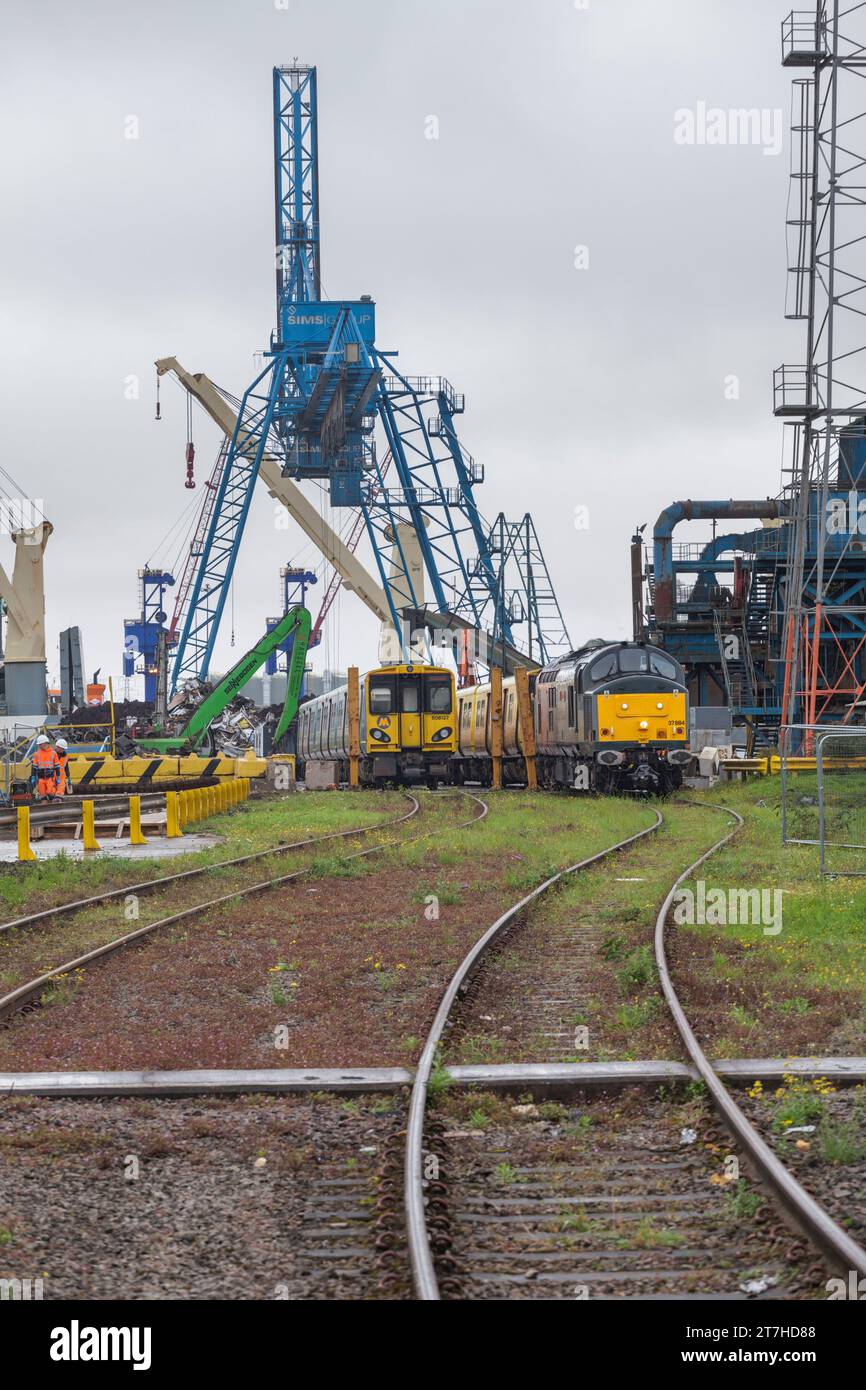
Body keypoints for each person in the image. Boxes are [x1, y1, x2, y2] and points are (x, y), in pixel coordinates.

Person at [31, 733, 60, 801]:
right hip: (41, 778)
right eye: (39, 745)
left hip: (50, 777)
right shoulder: (37, 754)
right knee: (42, 794)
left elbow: (57, 767)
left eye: (41, 744)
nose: (40, 746)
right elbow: (34, 767)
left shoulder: (53, 753)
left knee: (50, 792)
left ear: (46, 743)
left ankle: (53, 804)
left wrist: (58, 777)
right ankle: (45, 807)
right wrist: (33, 776)